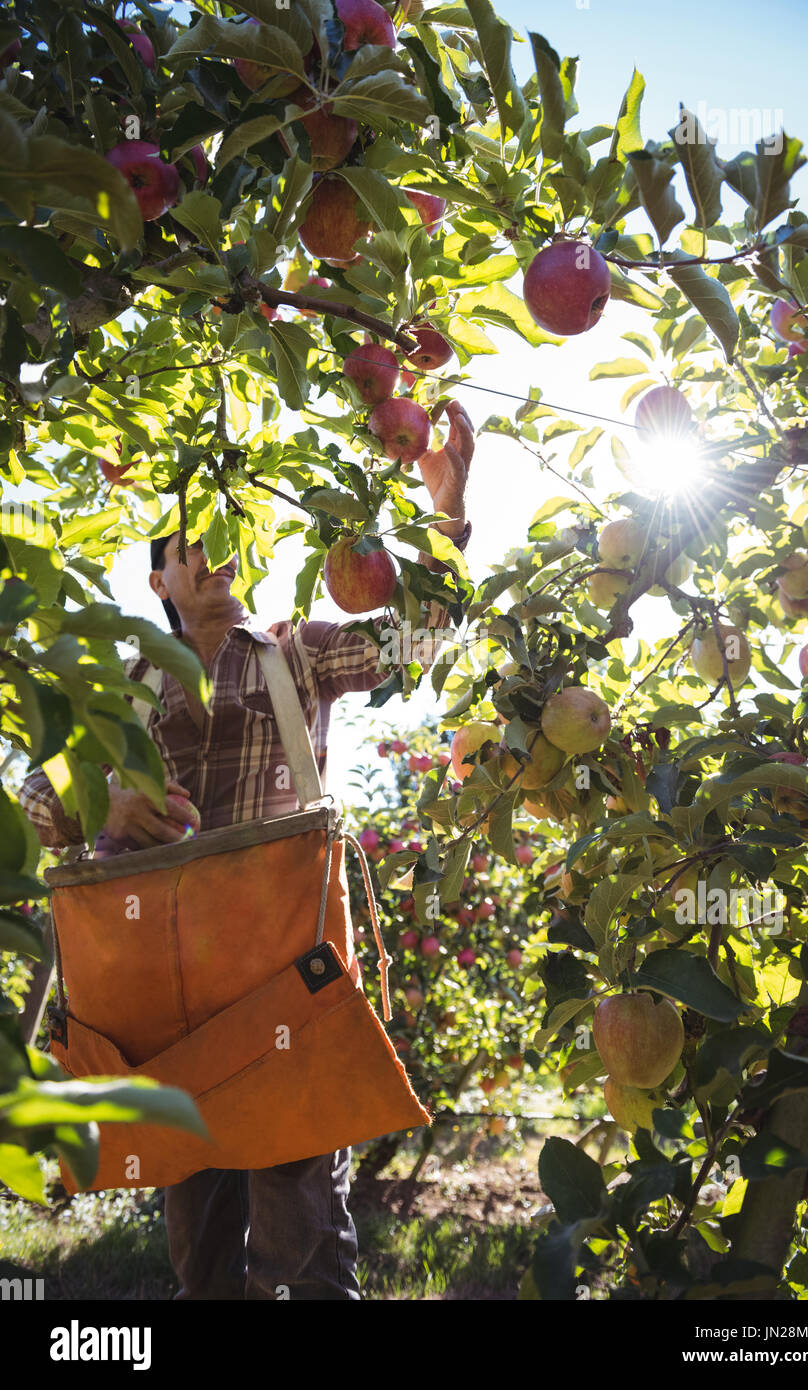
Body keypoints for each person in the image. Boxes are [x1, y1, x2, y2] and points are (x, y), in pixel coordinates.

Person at [18, 400, 474, 1300]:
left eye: (228, 543)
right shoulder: (121, 681)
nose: (215, 562)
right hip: (166, 1007)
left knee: (299, 1243)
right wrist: (97, 790)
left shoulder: (294, 653)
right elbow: (34, 803)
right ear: (158, 581)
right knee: (199, 1254)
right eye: (193, 548)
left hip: (287, 987)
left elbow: (416, 641)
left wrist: (445, 518)